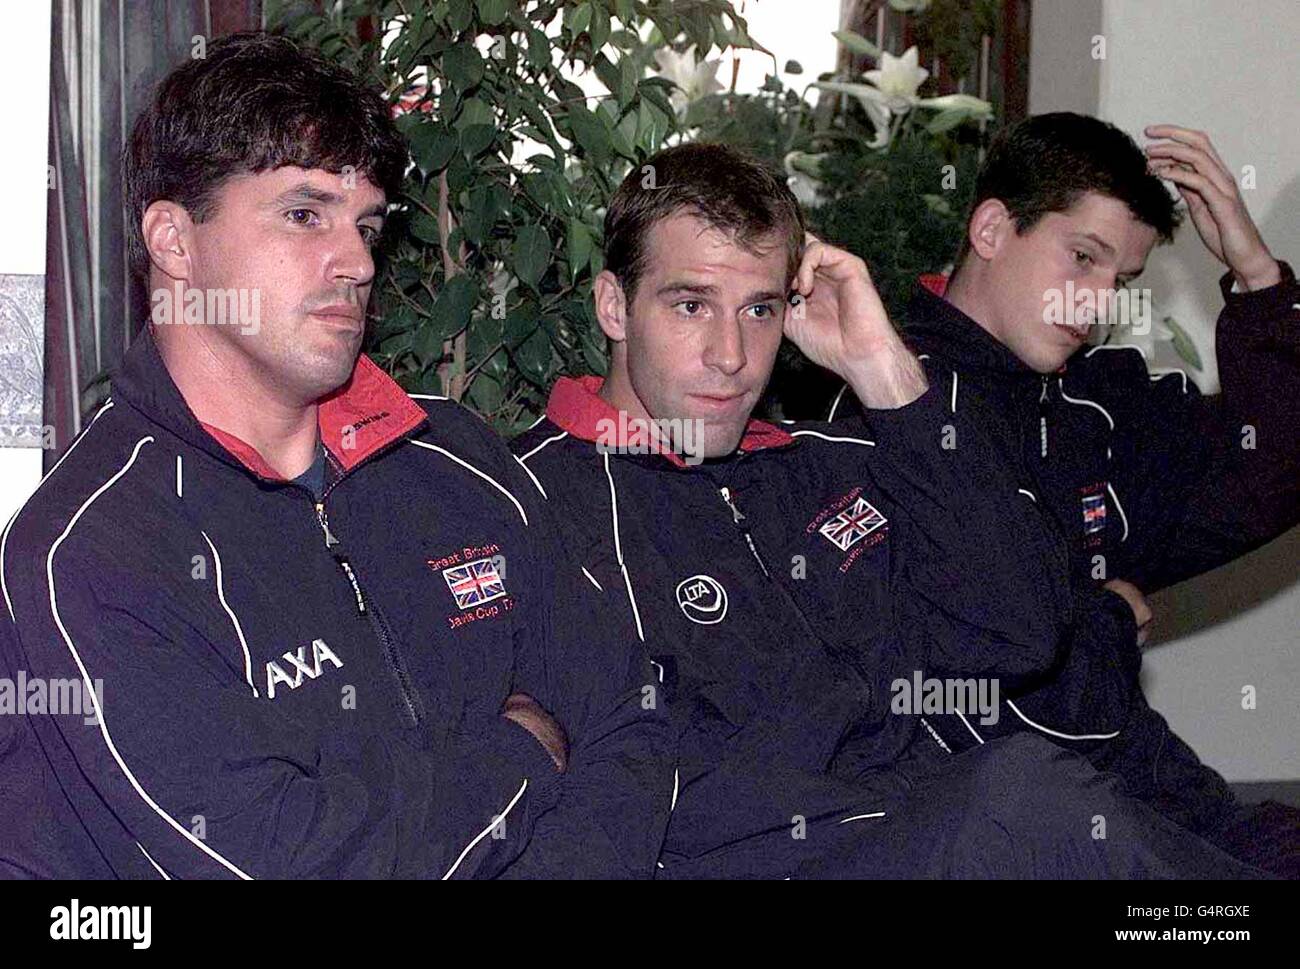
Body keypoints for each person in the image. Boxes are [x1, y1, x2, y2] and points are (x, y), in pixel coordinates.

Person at [0, 32, 671, 879]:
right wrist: (522, 753)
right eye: (303, 214)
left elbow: (624, 719)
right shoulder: (92, 551)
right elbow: (279, 862)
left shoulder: (452, 453)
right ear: (173, 240)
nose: (356, 261)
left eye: (366, 224)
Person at [511, 141, 1262, 878]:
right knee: (1020, 800)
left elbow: (1019, 636)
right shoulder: (531, 500)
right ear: (615, 305)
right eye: (691, 305)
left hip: (950, 823)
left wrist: (885, 371)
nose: (731, 354)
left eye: (761, 308)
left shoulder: (833, 463)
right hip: (806, 854)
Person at [826, 113, 1299, 874]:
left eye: (1121, 280)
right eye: (1082, 258)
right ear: (990, 229)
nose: (1096, 302)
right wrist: (1104, 615)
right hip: (1033, 829)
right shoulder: (887, 404)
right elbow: (960, 669)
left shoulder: (1092, 404)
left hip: (1169, 802)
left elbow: (1265, 479)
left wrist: (1258, 279)